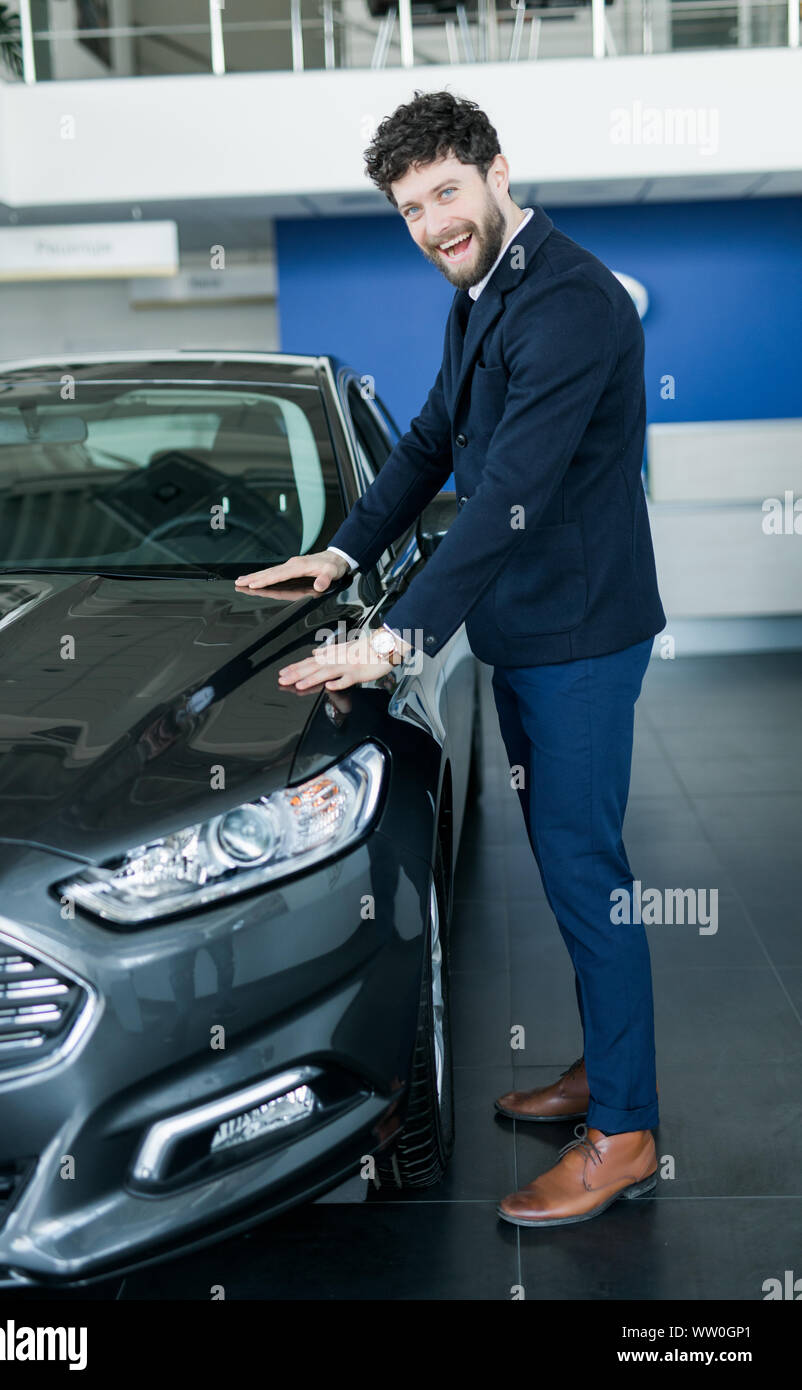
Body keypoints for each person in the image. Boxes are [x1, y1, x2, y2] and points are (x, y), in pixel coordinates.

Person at [235, 89, 666, 1227]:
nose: (430, 222)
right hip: (531, 628)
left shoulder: (565, 301)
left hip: (578, 633)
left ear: (494, 173)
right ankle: (602, 1075)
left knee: (586, 877)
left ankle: (622, 1133)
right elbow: (435, 438)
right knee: (570, 870)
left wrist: (393, 636)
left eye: (442, 192)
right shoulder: (483, 294)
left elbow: (507, 493)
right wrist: (338, 554)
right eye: (408, 207)